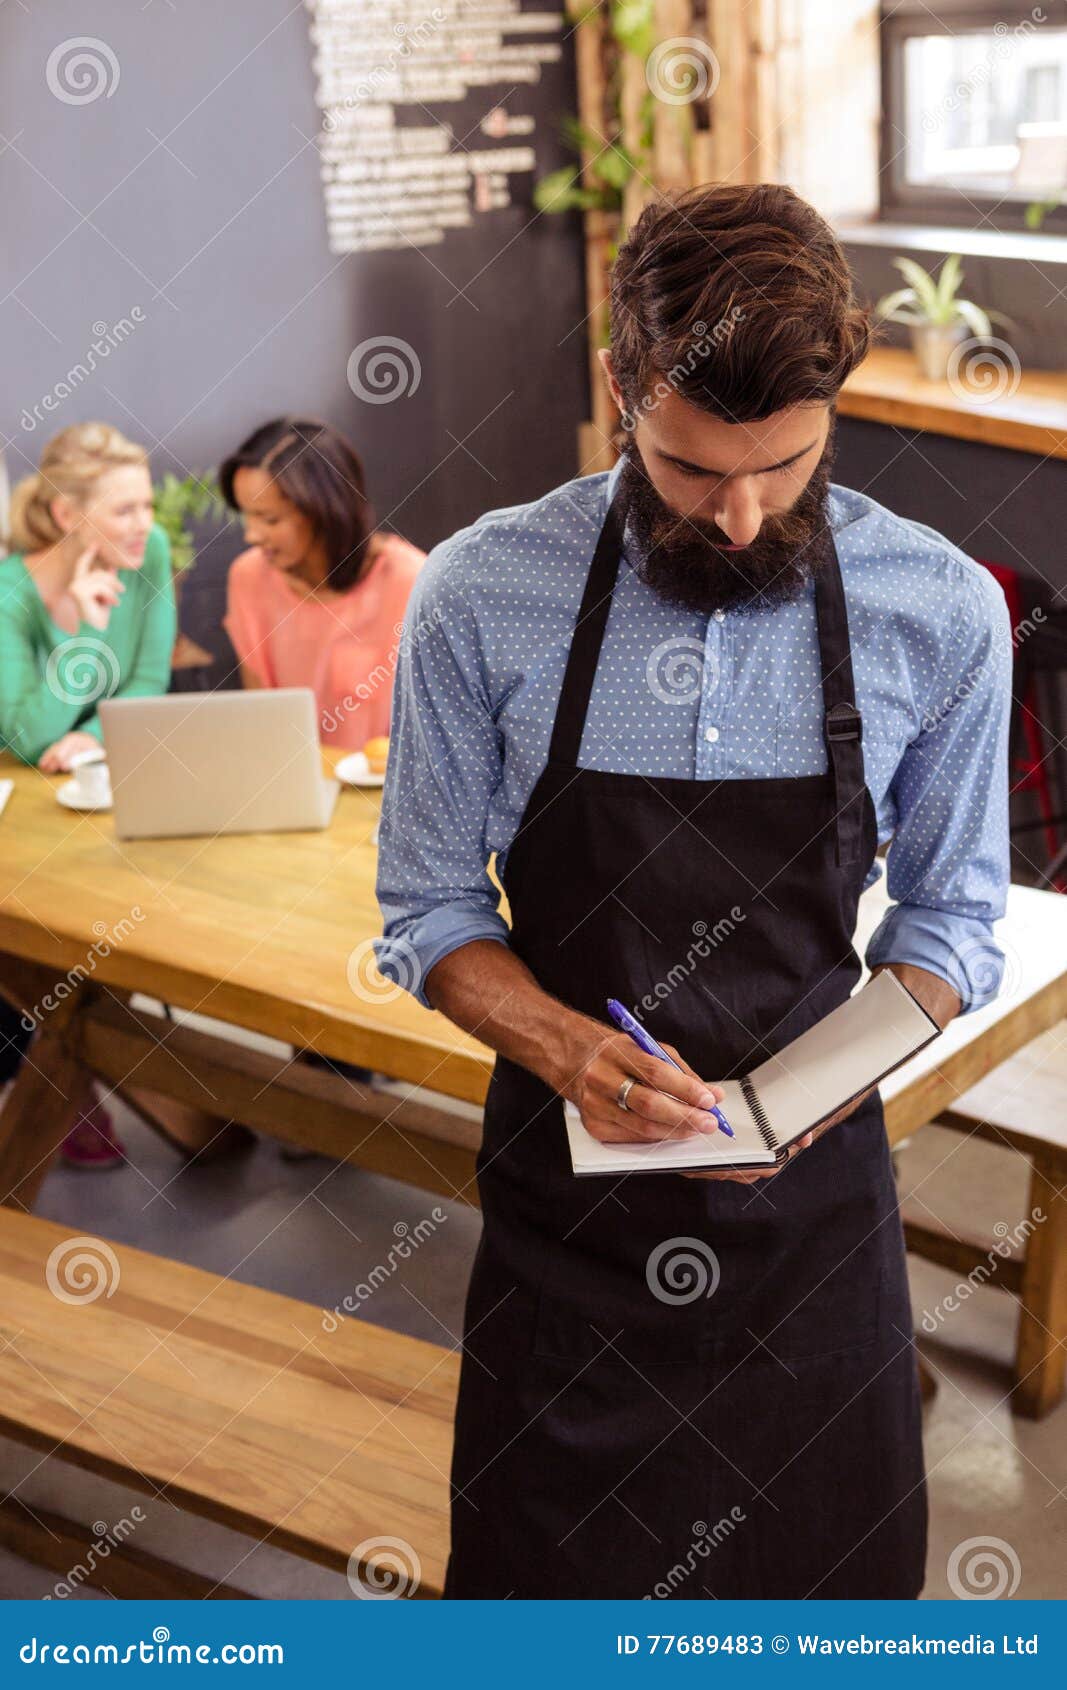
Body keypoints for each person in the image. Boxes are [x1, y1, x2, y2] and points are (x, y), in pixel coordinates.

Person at [375, 183, 1012, 1599]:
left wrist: (789, 1106)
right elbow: (425, 910)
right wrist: (568, 1050)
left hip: (812, 1230)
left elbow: (950, 927)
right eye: (685, 470)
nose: (736, 518)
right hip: (566, 1226)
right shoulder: (481, 594)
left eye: (781, 467)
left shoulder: (941, 609)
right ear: (618, 391)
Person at [219, 417, 423, 747]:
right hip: (291, 786)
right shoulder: (248, 577)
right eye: (247, 515)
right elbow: (260, 724)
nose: (251, 535)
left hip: (387, 791)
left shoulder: (410, 581)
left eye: (270, 519)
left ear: (326, 510)